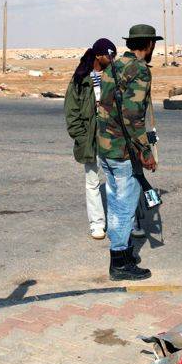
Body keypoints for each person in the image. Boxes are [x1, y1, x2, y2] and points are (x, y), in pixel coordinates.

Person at [96, 24, 160, 280]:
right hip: (124, 151)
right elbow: (133, 116)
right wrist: (145, 151)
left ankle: (124, 253)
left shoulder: (114, 65)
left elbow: (106, 105)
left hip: (106, 146)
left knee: (115, 203)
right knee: (124, 207)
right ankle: (119, 262)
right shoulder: (140, 70)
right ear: (149, 45)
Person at [63, 37, 117, 239]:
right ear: (98, 55)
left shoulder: (114, 76)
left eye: (114, 56)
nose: (112, 59)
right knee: (92, 182)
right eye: (109, 55)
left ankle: (120, 222)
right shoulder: (81, 78)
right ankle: (97, 224)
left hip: (112, 138)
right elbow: (71, 110)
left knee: (117, 182)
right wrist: (81, 136)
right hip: (89, 139)